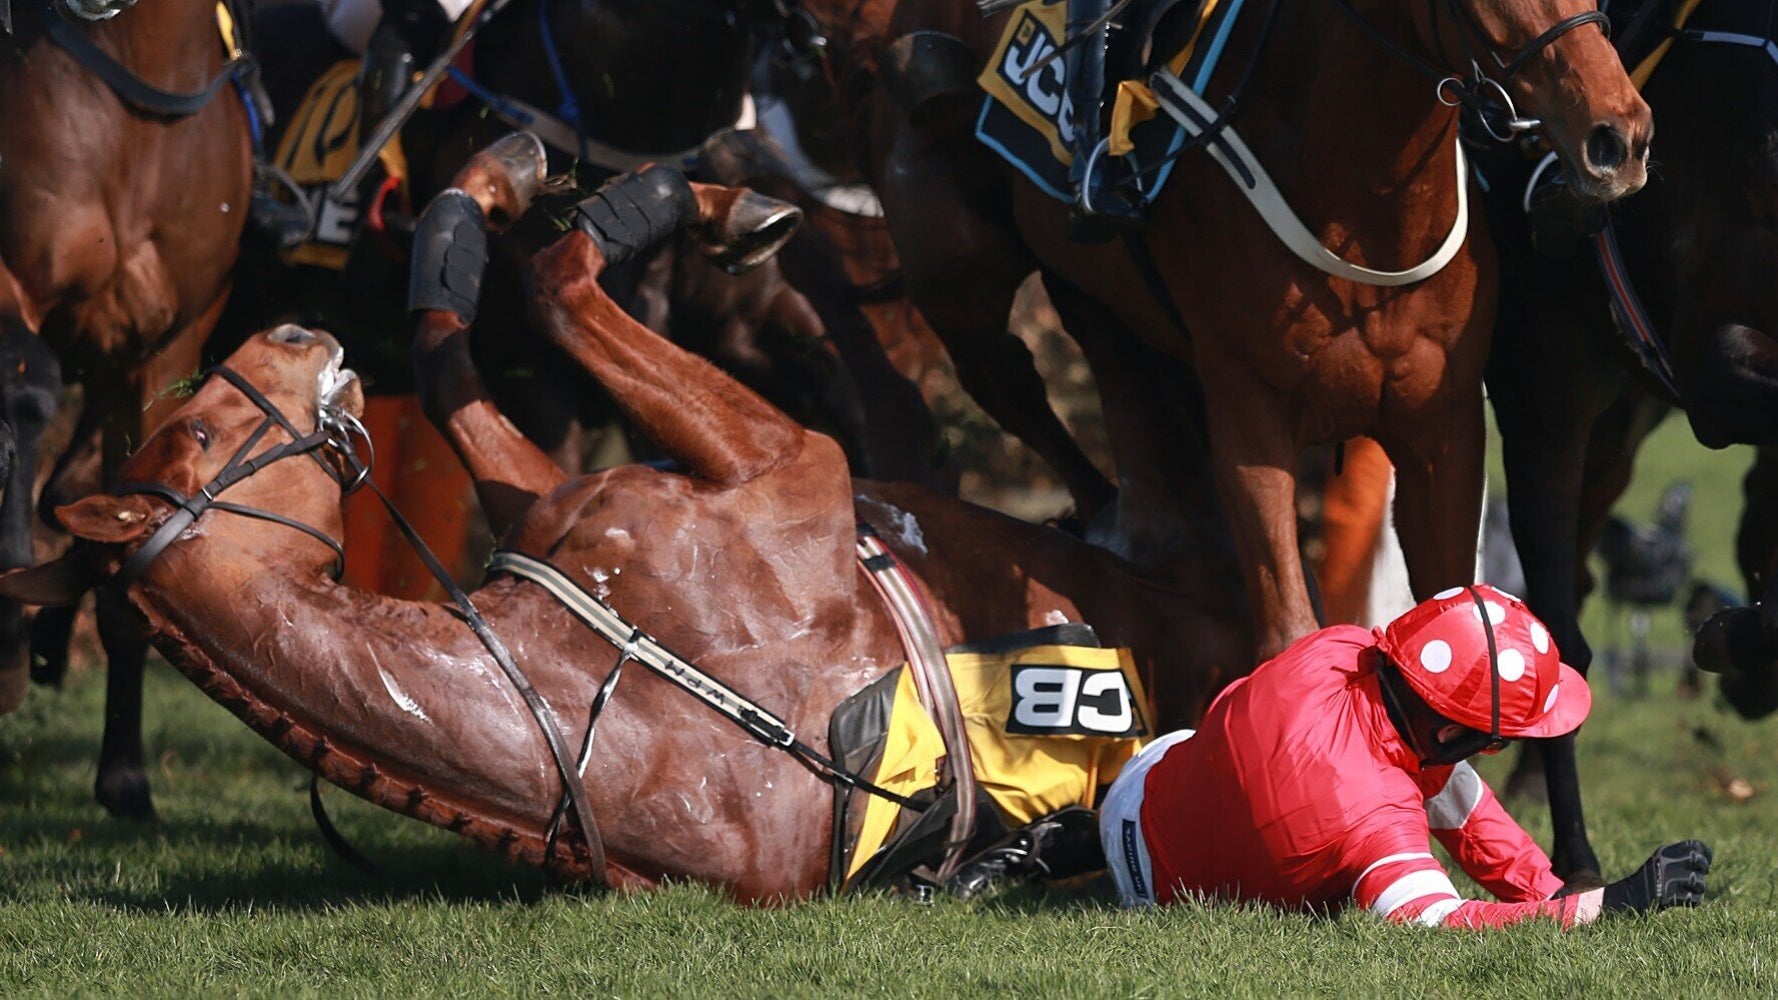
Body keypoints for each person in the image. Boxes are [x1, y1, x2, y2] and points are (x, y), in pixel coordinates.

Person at [1099, 584, 1714, 928]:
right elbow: (1438, 924)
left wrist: (1546, 888)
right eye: (1495, 738)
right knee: (1423, 773)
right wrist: (1608, 906)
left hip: (1144, 782)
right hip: (1156, 892)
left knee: (1420, 763)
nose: (1496, 750)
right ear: (1450, 734)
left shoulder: (1341, 645)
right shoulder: (1378, 819)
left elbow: (1437, 768)